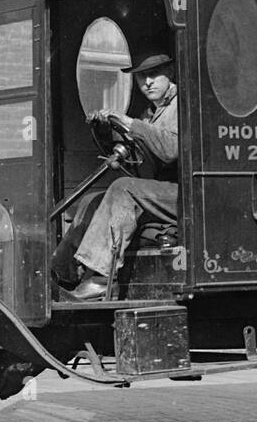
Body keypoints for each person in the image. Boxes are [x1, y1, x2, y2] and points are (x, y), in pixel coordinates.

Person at [63, 51, 178, 301]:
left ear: (169, 74)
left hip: (184, 195)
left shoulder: (182, 105)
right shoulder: (150, 113)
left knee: (123, 188)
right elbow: (140, 164)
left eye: (153, 75)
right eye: (140, 77)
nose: (146, 82)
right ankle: (63, 274)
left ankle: (102, 278)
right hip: (158, 195)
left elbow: (171, 151)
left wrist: (131, 124)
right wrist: (105, 132)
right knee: (92, 199)